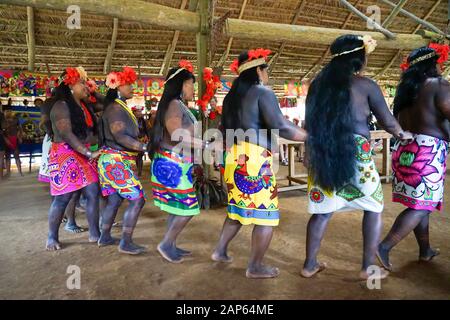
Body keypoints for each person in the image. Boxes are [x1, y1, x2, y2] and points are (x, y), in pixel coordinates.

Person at [301, 35, 413, 280]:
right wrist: (402, 135)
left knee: (322, 212)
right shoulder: (366, 85)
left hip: (323, 150)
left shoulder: (317, 86)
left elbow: (310, 123)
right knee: (373, 207)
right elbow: (387, 120)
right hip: (357, 153)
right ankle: (366, 268)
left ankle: (309, 265)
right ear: (358, 58)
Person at [211, 49, 307, 279]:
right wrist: (310, 136)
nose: (268, 75)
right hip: (253, 160)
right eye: (266, 70)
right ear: (258, 70)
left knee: (237, 209)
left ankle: (220, 251)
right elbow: (281, 126)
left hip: (234, 157)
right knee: (266, 215)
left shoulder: (232, 97)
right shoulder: (262, 92)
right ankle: (255, 266)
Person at [377, 44, 450, 271]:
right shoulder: (438, 85)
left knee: (422, 204)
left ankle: (425, 250)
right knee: (420, 206)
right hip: (427, 153)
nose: (441, 66)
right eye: (439, 62)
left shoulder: (406, 92)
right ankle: (383, 247)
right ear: (433, 64)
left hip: (405, 150)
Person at [149, 60, 208, 263]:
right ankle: (166, 244)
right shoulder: (174, 104)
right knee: (188, 207)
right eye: (191, 84)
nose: (194, 88)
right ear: (183, 85)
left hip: (175, 163)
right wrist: (206, 145)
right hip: (171, 164)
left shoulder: (178, 105)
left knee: (177, 207)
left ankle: (171, 244)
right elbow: (177, 134)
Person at [46, 66, 101, 250]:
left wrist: (94, 90)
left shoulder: (84, 105)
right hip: (65, 156)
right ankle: (52, 237)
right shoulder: (61, 106)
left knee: (93, 193)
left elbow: (107, 104)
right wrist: (89, 153)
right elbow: (68, 135)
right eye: (82, 82)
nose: (86, 86)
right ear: (70, 86)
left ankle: (95, 234)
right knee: (63, 198)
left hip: (84, 154)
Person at [97, 67, 147, 255]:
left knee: (114, 200)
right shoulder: (116, 108)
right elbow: (120, 137)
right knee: (138, 199)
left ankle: (105, 236)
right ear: (118, 86)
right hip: (116, 161)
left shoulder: (118, 107)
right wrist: (144, 148)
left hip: (113, 160)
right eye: (129, 84)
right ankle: (126, 242)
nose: (132, 87)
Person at [4, 109, 23, 177]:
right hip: (6, 140)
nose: (8, 112)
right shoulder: (3, 120)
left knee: (16, 156)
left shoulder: (15, 119)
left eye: (9, 111)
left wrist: (20, 137)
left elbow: (20, 128)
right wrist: (5, 139)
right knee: (7, 157)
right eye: (6, 111)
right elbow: (2, 132)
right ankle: (8, 173)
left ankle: (20, 172)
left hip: (15, 138)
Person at [132, 106, 150, 177]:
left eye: (140, 111)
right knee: (134, 156)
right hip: (133, 140)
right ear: (134, 112)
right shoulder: (131, 120)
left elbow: (146, 130)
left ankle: (140, 171)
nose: (140, 113)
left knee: (140, 156)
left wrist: (147, 136)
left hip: (141, 140)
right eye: (138, 111)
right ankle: (135, 171)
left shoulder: (142, 120)